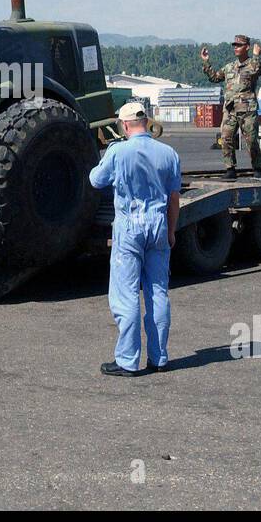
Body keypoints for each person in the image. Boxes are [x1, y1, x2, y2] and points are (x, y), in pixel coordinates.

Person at [89, 101, 182, 376]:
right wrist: (171, 231)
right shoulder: (169, 153)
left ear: (125, 124)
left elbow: (95, 180)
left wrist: (109, 154)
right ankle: (159, 357)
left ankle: (127, 360)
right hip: (159, 225)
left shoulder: (118, 151)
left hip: (130, 226)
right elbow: (174, 198)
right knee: (157, 292)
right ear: (146, 121)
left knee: (126, 293)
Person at [201, 35, 261, 178]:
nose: (236, 47)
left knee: (251, 140)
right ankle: (230, 168)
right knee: (226, 137)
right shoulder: (229, 67)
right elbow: (215, 77)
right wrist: (206, 62)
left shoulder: (252, 64)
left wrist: (256, 55)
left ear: (247, 47)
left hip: (247, 109)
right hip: (231, 109)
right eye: (234, 45)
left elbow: (256, 70)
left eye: (239, 45)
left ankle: (257, 167)